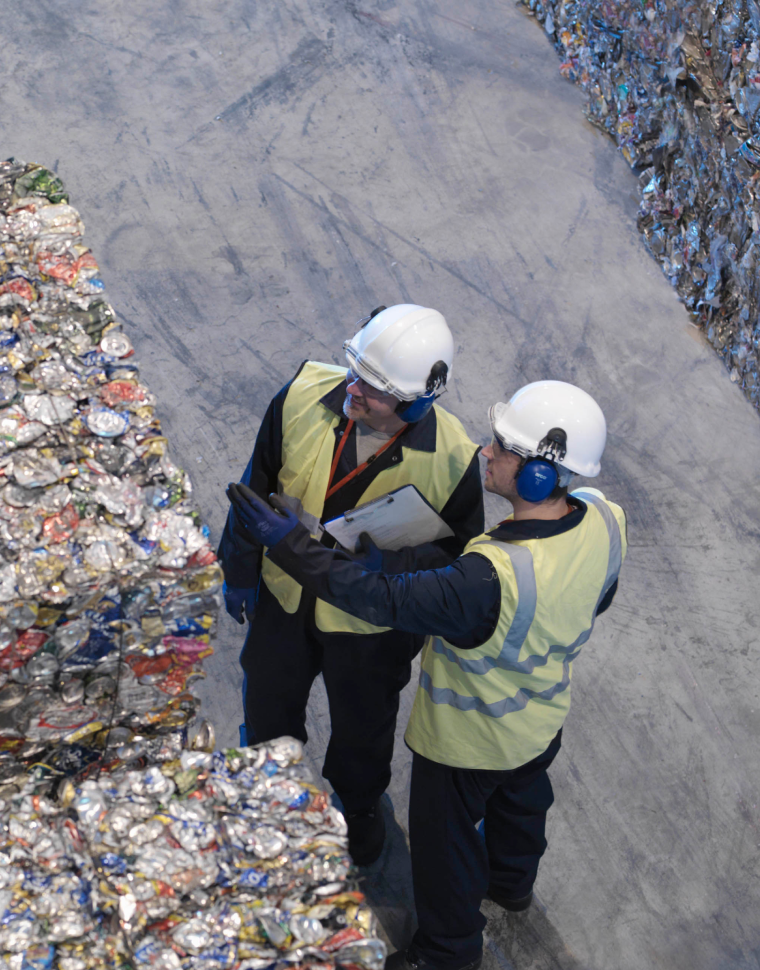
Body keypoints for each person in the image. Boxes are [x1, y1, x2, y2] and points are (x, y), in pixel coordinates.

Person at [226, 380, 624, 970]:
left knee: (445, 849)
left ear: (541, 476)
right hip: (541, 715)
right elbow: (600, 596)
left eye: (503, 448)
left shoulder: (490, 575)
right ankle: (511, 883)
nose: (487, 452)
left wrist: (290, 546)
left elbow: (378, 600)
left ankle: (445, 953)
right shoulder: (604, 517)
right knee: (521, 803)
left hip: (471, 739)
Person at [217, 304, 484, 868]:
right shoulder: (303, 394)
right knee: (267, 701)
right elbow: (255, 483)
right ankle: (269, 783)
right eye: (354, 370)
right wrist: (238, 568)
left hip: (370, 626)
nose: (352, 390)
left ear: (414, 405)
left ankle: (359, 806)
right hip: (286, 597)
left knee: (364, 727)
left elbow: (459, 555)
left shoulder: (454, 459)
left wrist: (394, 564)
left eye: (373, 388)